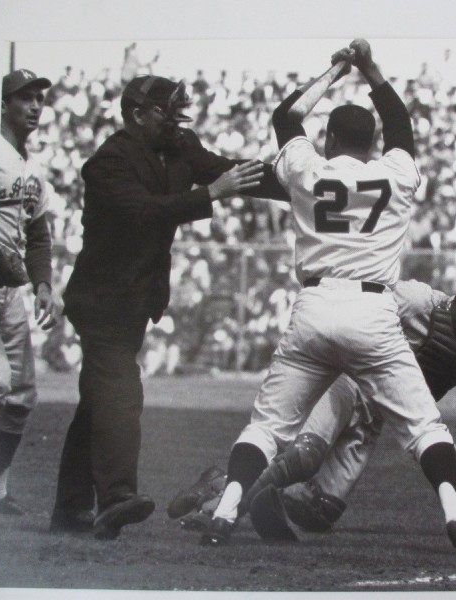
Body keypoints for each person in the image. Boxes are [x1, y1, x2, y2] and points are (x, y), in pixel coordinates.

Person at [197, 40, 456, 555]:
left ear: (331, 137)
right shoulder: (395, 173)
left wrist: (336, 70)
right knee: (423, 426)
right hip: (372, 311)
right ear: (372, 144)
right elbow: (403, 126)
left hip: (315, 307)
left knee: (267, 427)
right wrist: (371, 69)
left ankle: (226, 510)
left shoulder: (308, 169)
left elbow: (285, 116)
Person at [168, 276, 456, 536]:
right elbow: (357, 302)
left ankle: (244, 485)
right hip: (348, 384)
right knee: (304, 456)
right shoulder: (413, 299)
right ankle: (220, 505)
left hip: (377, 418)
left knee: (320, 511)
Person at [50, 74, 288, 540]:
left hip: (136, 298)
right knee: (121, 389)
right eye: (165, 111)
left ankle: (70, 508)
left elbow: (232, 169)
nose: (176, 120)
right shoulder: (108, 163)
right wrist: (211, 194)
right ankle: (116, 496)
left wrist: (301, 184)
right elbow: (145, 210)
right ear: (136, 114)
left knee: (96, 403)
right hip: (101, 298)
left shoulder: (180, 146)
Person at [0, 69, 60, 515]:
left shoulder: (33, 168)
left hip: (10, 290)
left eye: (39, 98)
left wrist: (42, 284)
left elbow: (38, 233)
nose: (35, 105)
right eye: (25, 98)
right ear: (2, 104)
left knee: (20, 397)